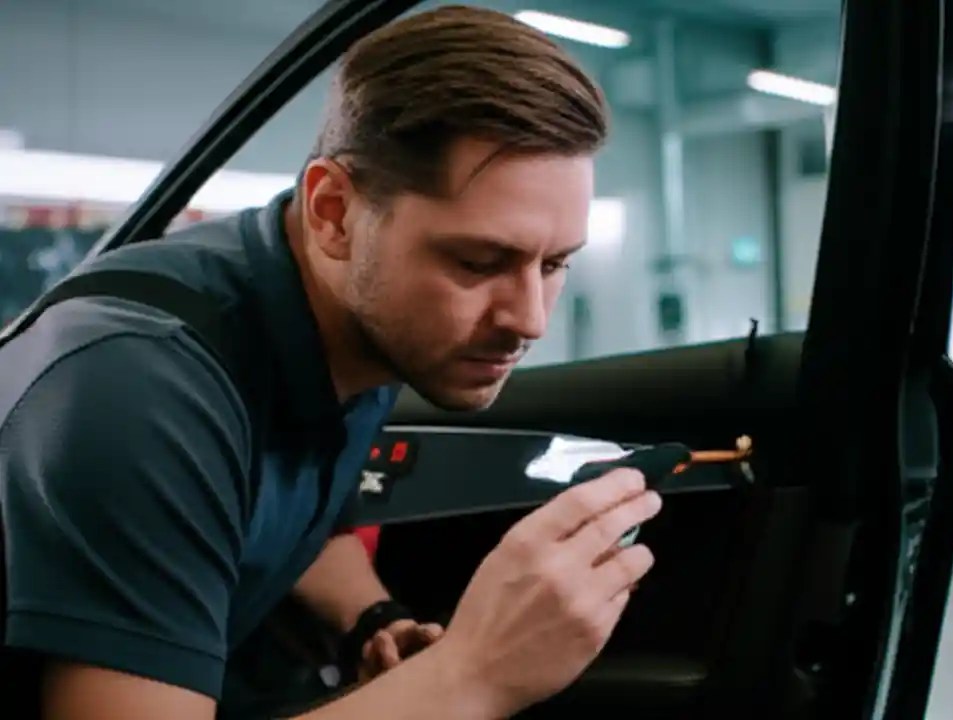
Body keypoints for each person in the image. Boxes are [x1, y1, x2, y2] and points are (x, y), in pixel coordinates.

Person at [0, 5, 662, 718]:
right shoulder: (140, 390)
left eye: (556, 263)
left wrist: (368, 619)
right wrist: (471, 675)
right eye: (477, 261)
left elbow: (273, 512)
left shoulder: (362, 322)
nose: (529, 318)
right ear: (334, 210)